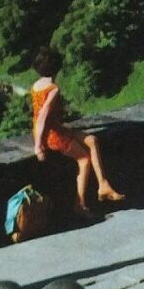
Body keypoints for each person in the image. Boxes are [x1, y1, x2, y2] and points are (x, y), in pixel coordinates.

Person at [30, 47, 125, 217]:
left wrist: (38, 138)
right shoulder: (53, 88)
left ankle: (103, 185)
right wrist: (38, 146)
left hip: (52, 130)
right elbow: (43, 115)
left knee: (92, 140)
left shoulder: (36, 86)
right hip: (53, 136)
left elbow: (38, 116)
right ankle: (80, 204)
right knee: (83, 159)